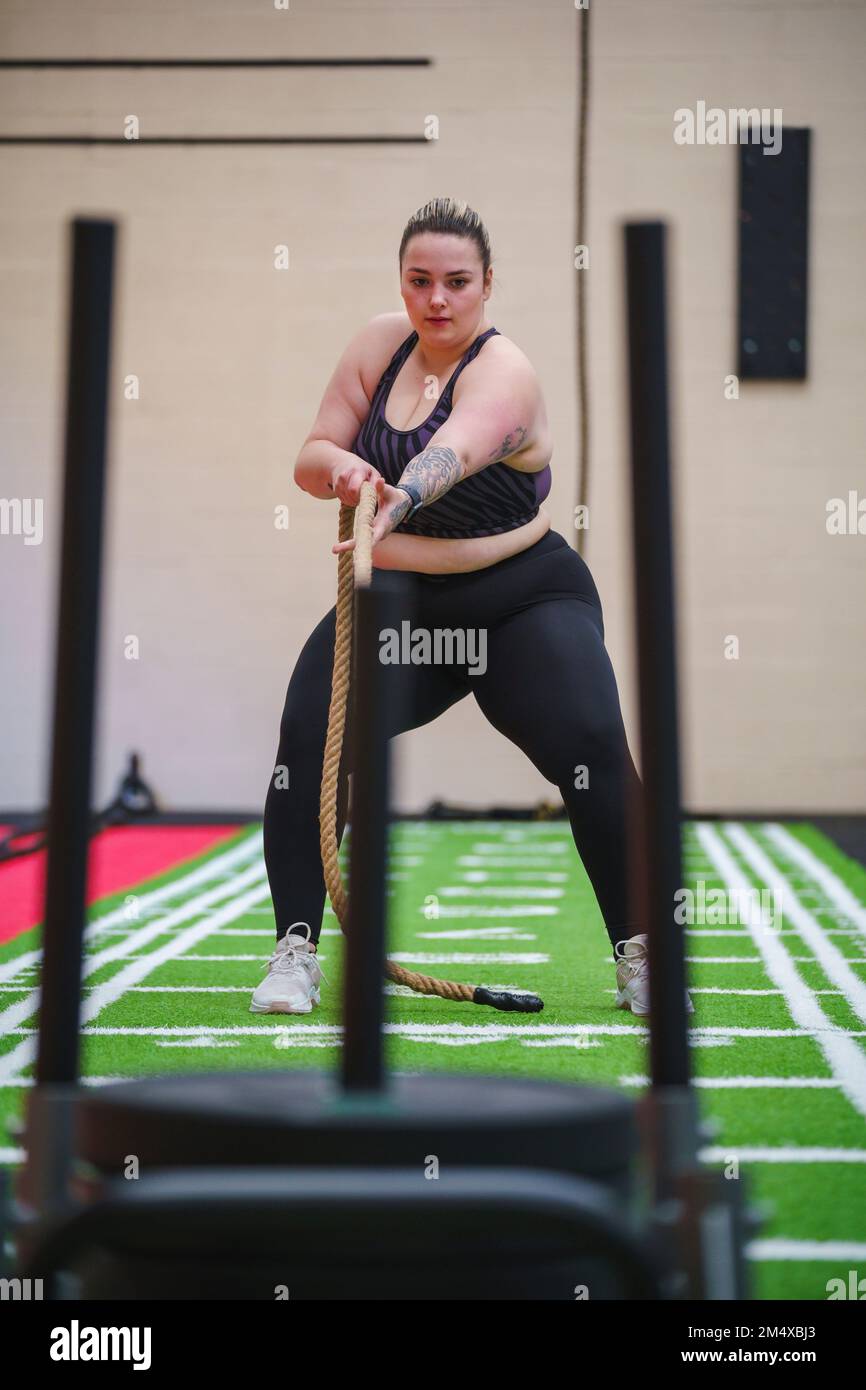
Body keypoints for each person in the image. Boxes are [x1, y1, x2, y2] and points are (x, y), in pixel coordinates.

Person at [252, 196, 693, 1020]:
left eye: (457, 282)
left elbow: (455, 451)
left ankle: (642, 953)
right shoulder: (376, 349)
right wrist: (342, 470)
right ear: (403, 282)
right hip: (407, 603)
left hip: (524, 597)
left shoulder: (506, 372)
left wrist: (392, 500)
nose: (437, 300)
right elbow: (312, 453)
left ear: (488, 283)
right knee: (309, 734)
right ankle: (295, 951)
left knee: (591, 745)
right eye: (420, 281)